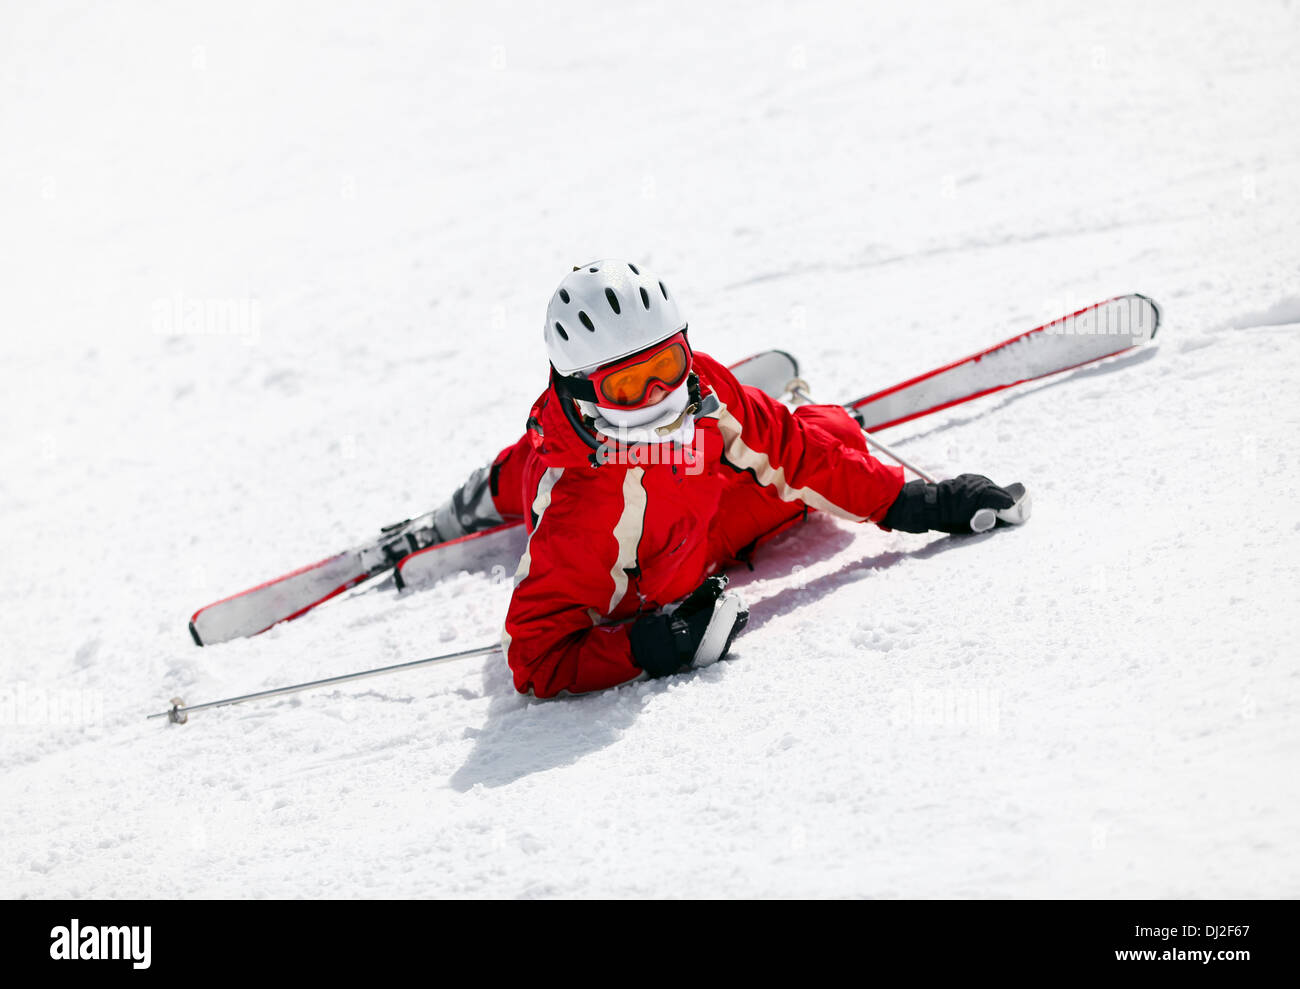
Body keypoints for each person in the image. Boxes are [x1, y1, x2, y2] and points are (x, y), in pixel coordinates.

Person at [428, 260, 1017, 698]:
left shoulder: (702, 386)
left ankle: (811, 438)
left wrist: (918, 503)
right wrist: (655, 645)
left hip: (695, 531)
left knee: (831, 434)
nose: (661, 395)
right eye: (630, 387)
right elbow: (538, 660)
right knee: (534, 469)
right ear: (586, 392)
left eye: (666, 366)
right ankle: (490, 489)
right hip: (641, 587)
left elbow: (792, 452)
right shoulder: (577, 509)